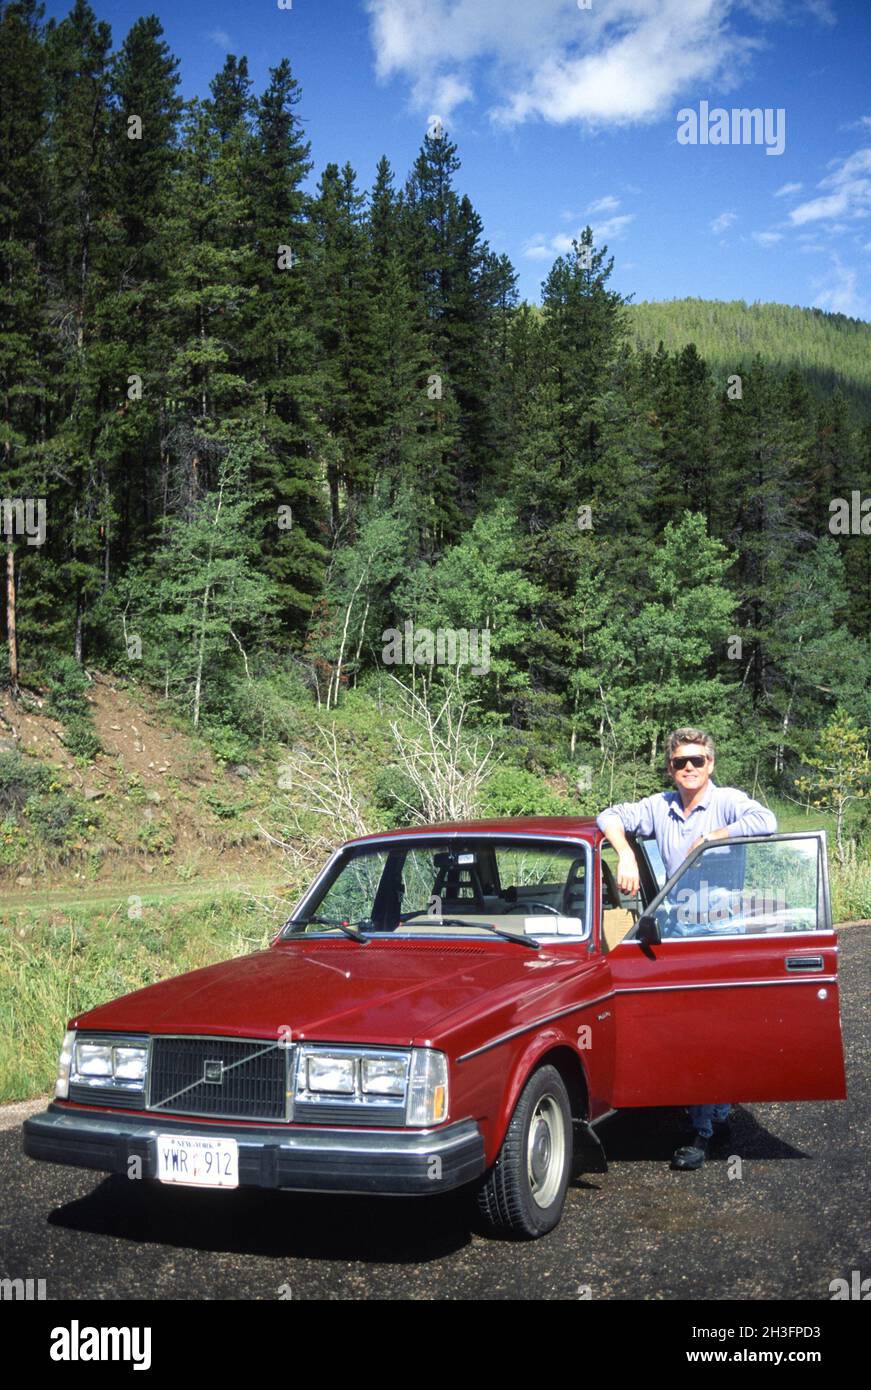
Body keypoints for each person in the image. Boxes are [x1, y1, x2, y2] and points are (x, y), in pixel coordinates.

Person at [596, 726, 777, 1170]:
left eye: (697, 760)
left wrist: (715, 836)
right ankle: (711, 1115)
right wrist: (625, 853)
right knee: (688, 1028)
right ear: (671, 767)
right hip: (679, 931)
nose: (689, 768)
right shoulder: (661, 807)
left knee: (712, 1028)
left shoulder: (729, 801)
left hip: (720, 931)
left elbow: (767, 822)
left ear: (710, 764)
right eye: (680, 762)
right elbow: (609, 815)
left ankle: (703, 1128)